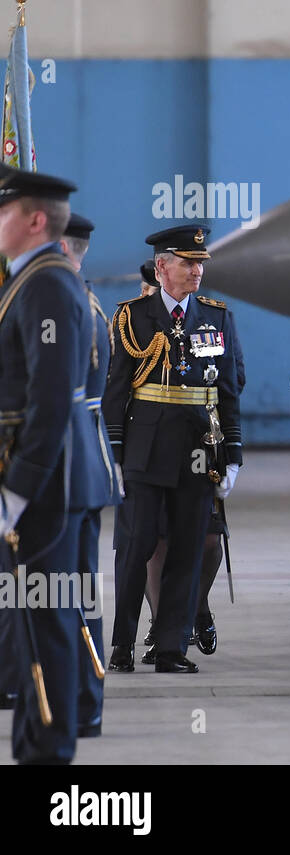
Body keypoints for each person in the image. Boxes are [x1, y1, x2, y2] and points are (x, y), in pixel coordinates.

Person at [105, 223, 244, 674]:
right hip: (146, 449)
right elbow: (116, 391)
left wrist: (234, 453)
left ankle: (171, 647)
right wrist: (116, 455)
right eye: (187, 263)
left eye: (200, 264)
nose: (196, 272)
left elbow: (227, 392)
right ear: (162, 267)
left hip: (199, 451)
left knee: (187, 548)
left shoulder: (216, 316)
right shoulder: (133, 316)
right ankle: (123, 643)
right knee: (136, 546)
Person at [0, 167, 93, 764]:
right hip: (29, 483)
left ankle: (51, 752)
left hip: (39, 488)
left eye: (3, 210)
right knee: (29, 622)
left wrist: (18, 492)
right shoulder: (29, 281)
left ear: (35, 219)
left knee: (45, 620)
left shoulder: (47, 285)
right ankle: (35, 743)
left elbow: (52, 399)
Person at [58, 212, 121, 736]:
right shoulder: (85, 299)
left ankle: (83, 700)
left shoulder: (69, 305)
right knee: (75, 588)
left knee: (68, 591)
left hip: (67, 467)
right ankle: (83, 699)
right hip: (84, 464)